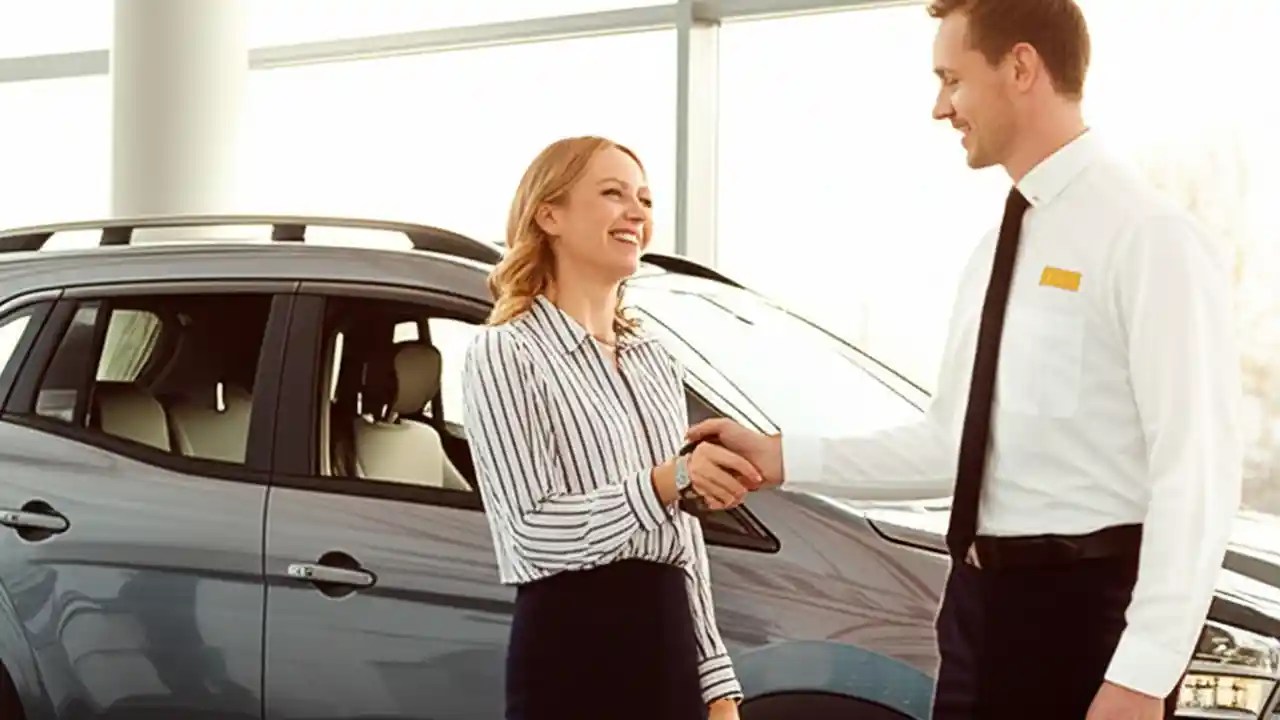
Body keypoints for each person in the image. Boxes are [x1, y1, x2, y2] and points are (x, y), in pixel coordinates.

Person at [685, 1, 1243, 718]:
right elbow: (953, 446)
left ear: (1020, 67)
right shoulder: (995, 252)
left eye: (952, 79)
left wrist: (1142, 674)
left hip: (1085, 629)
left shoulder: (1148, 237)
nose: (940, 107)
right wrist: (777, 456)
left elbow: (1196, 474)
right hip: (979, 618)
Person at [461, 136, 757, 720]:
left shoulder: (654, 360)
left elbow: (682, 542)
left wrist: (718, 688)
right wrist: (664, 483)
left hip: (667, 644)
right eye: (613, 193)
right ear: (550, 215)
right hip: (572, 654)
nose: (637, 213)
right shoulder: (504, 354)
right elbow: (529, 534)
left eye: (644, 199)